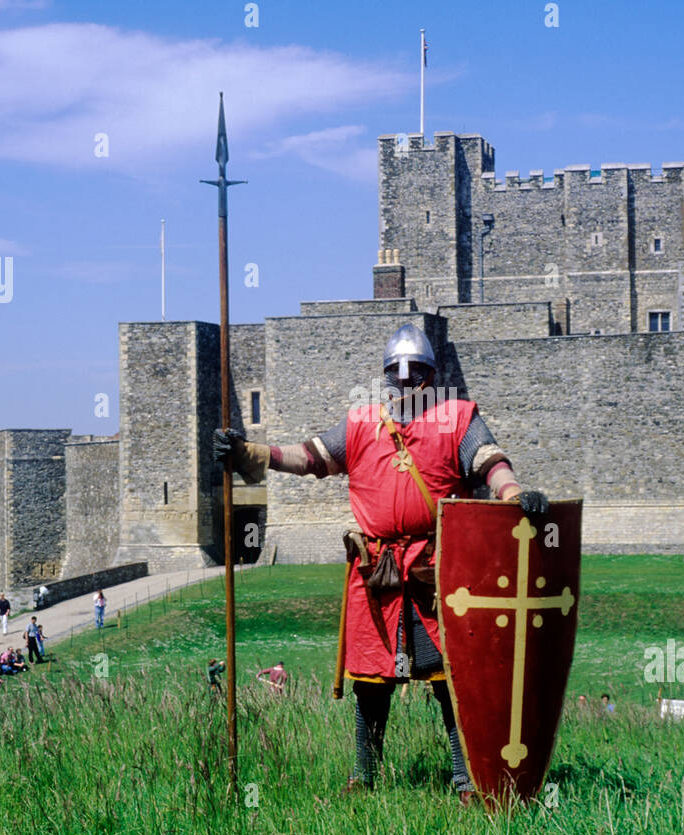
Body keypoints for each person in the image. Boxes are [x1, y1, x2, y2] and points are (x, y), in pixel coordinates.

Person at [214, 322, 548, 800]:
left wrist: (515, 493)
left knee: (449, 680)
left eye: (415, 371)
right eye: (397, 370)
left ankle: (465, 779)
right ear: (386, 374)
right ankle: (365, 777)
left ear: (432, 374)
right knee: (371, 682)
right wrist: (250, 452)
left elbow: (489, 462)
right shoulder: (362, 423)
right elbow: (309, 456)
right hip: (375, 572)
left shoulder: (455, 417)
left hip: (439, 569)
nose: (407, 379)